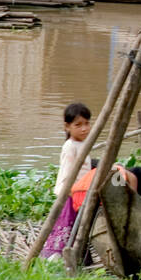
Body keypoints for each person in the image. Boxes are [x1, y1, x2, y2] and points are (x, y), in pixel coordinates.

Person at [41, 102, 93, 258]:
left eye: (87, 124)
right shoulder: (70, 146)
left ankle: (80, 256)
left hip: (79, 192)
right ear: (67, 127)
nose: (84, 128)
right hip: (70, 194)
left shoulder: (82, 144)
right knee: (68, 226)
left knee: (77, 226)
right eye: (78, 125)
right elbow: (67, 172)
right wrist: (69, 192)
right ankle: (60, 256)